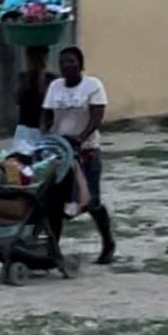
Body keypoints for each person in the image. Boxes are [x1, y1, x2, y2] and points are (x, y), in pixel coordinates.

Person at [42, 46, 117, 265]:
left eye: (72, 61)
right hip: (60, 151)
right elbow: (47, 115)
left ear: (81, 64)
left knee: (90, 201)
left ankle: (108, 242)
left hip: (86, 151)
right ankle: (53, 250)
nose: (67, 66)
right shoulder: (55, 86)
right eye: (63, 62)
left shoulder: (93, 86)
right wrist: (43, 135)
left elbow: (97, 115)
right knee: (55, 202)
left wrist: (82, 137)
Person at [13, 46, 56, 149]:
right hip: (25, 127)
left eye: (41, 59)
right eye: (33, 59)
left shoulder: (51, 79)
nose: (37, 62)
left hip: (46, 127)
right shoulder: (23, 78)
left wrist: (41, 76)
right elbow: (18, 99)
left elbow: (47, 101)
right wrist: (30, 75)